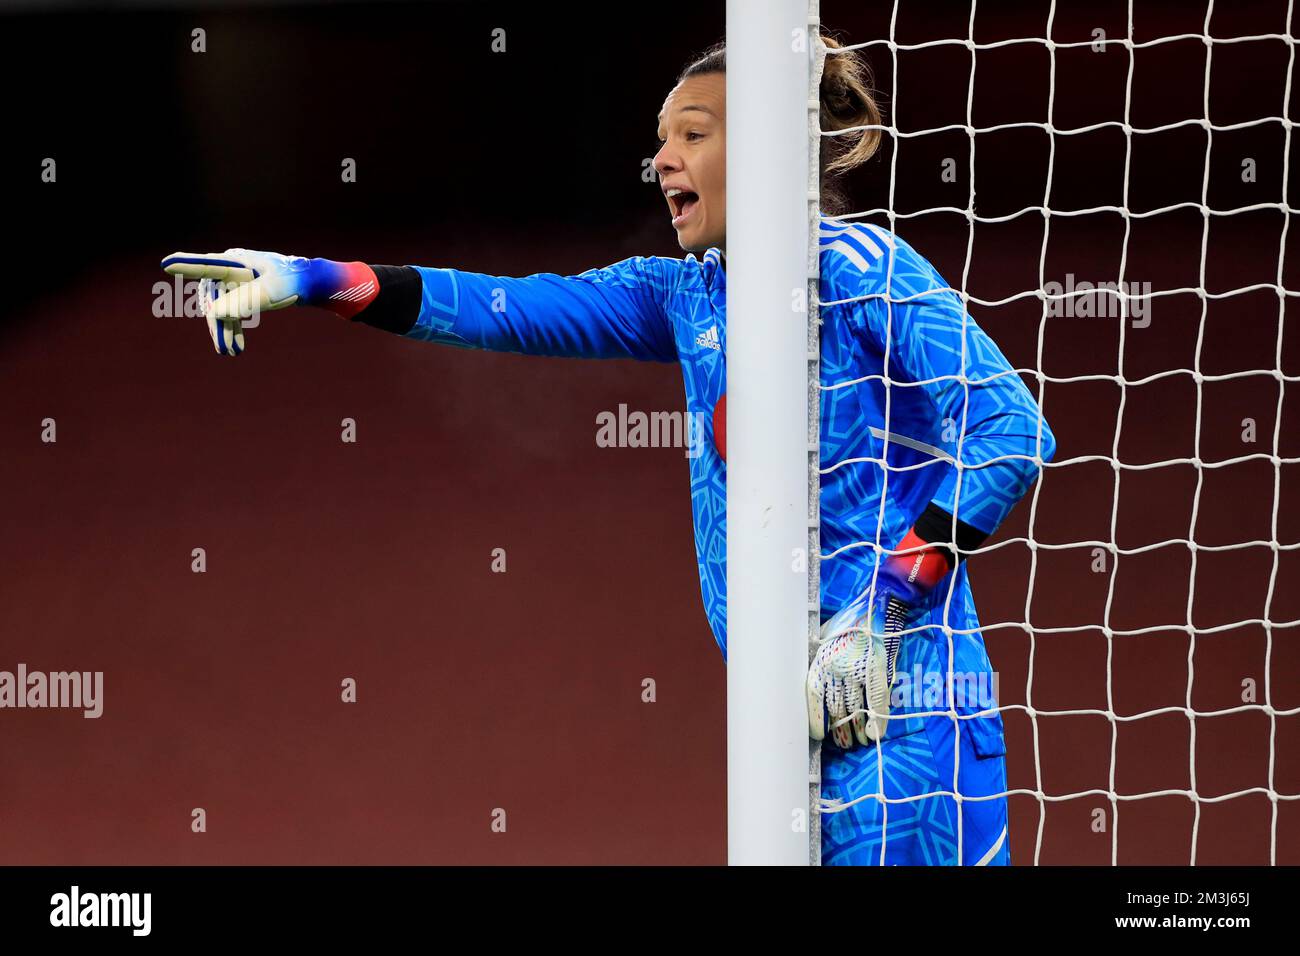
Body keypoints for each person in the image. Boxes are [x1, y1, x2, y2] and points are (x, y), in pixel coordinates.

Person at [161, 35, 1055, 866]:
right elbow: (506, 308)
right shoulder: (684, 295)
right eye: (660, 139)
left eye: (692, 134)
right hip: (791, 726)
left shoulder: (864, 268)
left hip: (905, 713)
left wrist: (885, 613)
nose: (661, 159)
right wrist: (307, 277)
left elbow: (1013, 431)